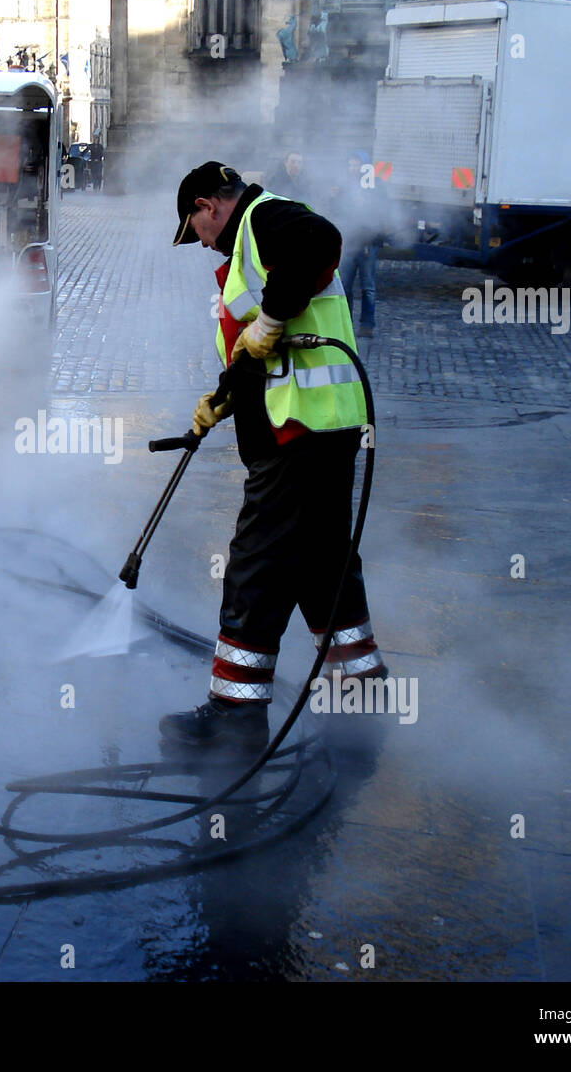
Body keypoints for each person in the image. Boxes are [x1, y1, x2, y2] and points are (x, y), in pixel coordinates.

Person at [161, 162, 388, 753]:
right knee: (321, 560)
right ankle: (361, 687)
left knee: (257, 562)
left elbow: (320, 242)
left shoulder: (264, 218)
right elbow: (262, 353)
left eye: (197, 228)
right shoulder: (248, 248)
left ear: (211, 205)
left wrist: (267, 318)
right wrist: (222, 398)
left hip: (298, 432)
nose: (200, 242)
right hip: (325, 426)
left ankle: (234, 714)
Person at [328, 150, 382, 337]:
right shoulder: (343, 186)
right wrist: (334, 197)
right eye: (350, 165)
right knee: (345, 286)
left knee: (368, 287)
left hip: (367, 244)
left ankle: (367, 325)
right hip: (348, 243)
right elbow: (335, 213)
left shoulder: (375, 187)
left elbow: (383, 214)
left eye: (356, 165)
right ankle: (346, 324)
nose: (352, 168)